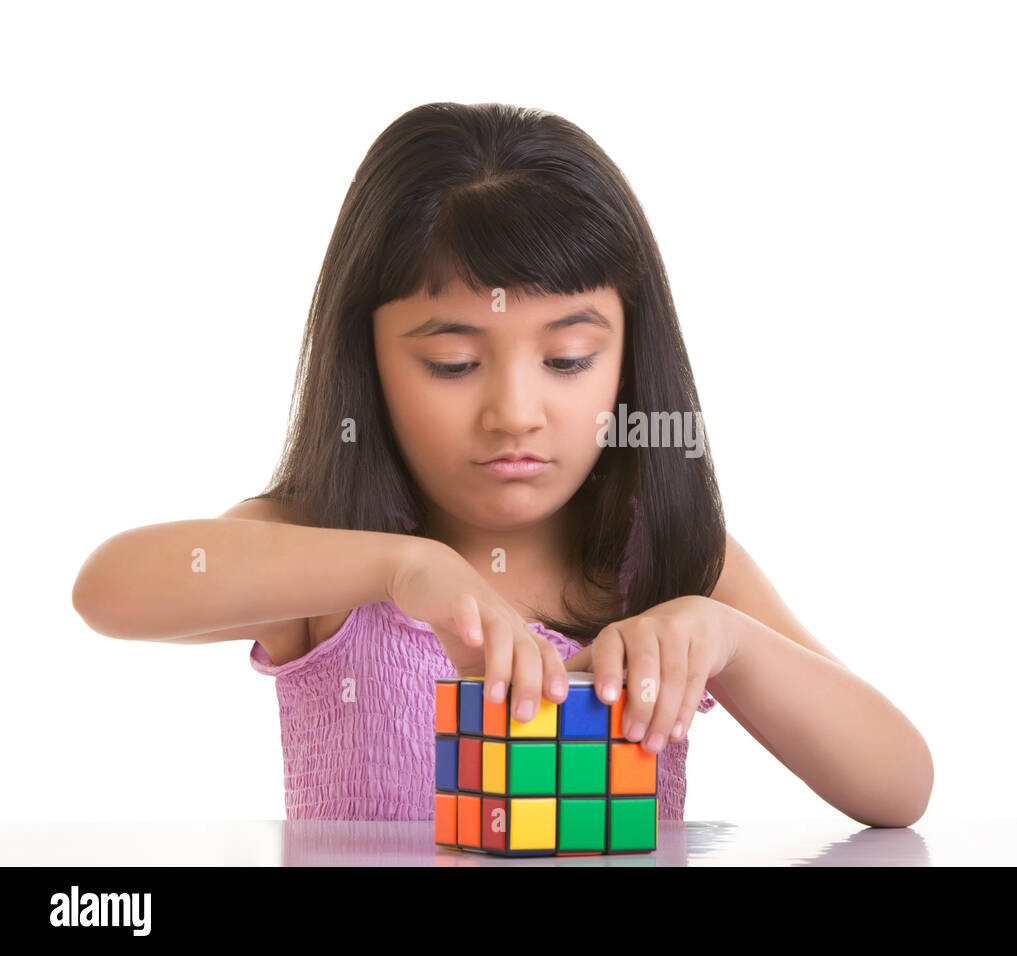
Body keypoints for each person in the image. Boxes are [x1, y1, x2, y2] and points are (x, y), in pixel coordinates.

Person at [71, 102, 933, 827]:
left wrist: (731, 644)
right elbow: (109, 590)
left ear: (631, 360)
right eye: (453, 364)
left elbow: (898, 786)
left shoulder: (670, 559)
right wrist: (402, 568)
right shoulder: (328, 548)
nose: (515, 413)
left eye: (566, 362)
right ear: (365, 359)